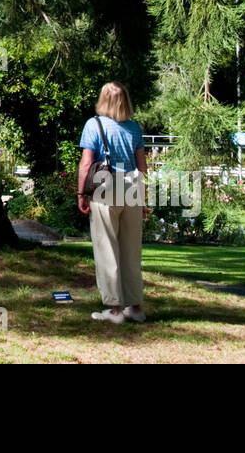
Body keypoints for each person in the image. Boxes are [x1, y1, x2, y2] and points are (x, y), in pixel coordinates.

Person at [77, 81, 148, 323]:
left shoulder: (93, 125)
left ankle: (115, 309)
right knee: (131, 250)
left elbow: (86, 164)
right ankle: (136, 307)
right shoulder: (134, 128)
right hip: (132, 186)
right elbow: (142, 167)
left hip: (105, 186)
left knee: (107, 247)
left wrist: (81, 194)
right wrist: (144, 199)